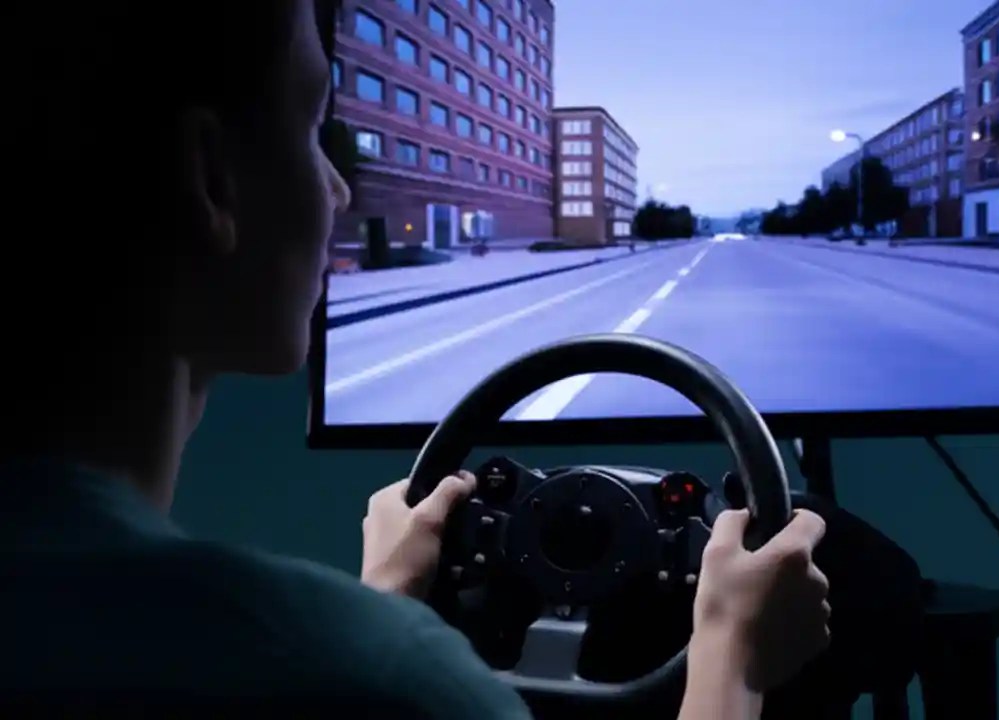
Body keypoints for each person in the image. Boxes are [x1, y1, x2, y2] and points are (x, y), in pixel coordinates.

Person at [0, 2, 831, 717]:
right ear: (211, 180)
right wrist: (732, 654)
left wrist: (382, 596)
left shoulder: (327, 660)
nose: (341, 189)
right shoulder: (381, 679)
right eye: (314, 129)